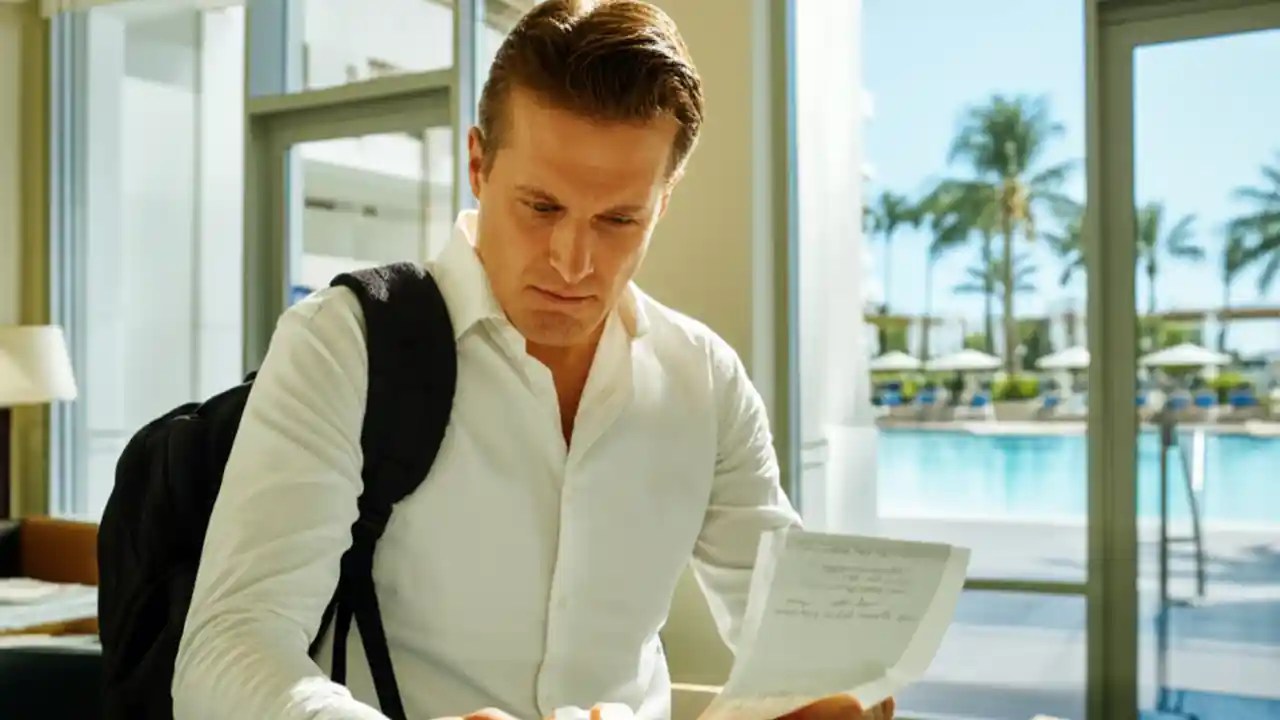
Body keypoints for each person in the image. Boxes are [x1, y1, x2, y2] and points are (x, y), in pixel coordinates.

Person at [173, 2, 894, 719]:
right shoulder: (342, 344)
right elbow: (226, 653)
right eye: (541, 207)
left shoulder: (705, 380)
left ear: (663, 201)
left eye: (619, 219)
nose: (573, 263)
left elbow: (795, 644)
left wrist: (832, 695)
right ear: (478, 164)